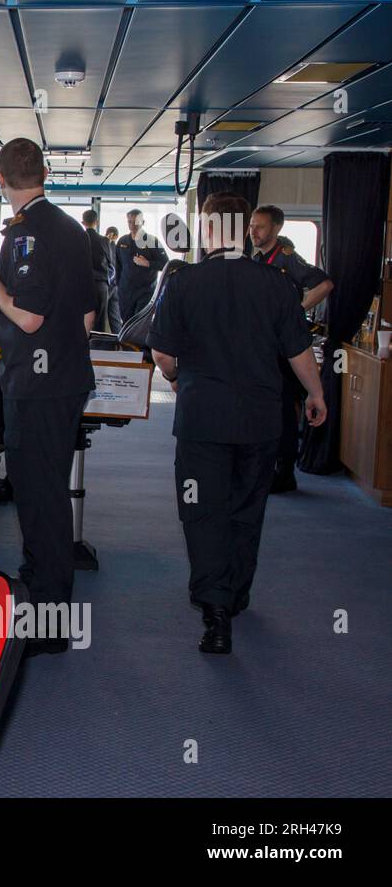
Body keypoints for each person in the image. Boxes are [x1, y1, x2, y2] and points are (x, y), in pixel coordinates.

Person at [148, 193, 327, 654]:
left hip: (201, 421)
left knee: (203, 512)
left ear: (208, 230)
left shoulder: (182, 282)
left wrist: (175, 377)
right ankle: (237, 593)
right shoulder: (275, 283)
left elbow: (163, 353)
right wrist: (316, 393)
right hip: (259, 422)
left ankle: (215, 613)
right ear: (245, 228)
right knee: (247, 510)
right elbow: (298, 351)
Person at [0, 139, 95, 656]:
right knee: (47, 494)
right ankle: (39, 585)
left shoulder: (25, 236)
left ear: (1, 179)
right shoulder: (69, 228)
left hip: (37, 388)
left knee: (39, 498)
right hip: (63, 382)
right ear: (44, 173)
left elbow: (27, 316)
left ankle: (50, 622)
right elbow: (86, 316)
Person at [249, 205, 334, 494]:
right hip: (263, 345)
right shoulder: (255, 258)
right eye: (251, 225)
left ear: (276, 229)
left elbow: (324, 284)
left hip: (283, 348)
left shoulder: (286, 258)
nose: (253, 231)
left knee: (283, 410)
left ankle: (284, 473)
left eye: (260, 227)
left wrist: (295, 312)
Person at [116, 209, 169, 323]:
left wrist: (148, 263)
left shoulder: (152, 241)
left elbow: (166, 264)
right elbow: (118, 266)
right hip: (126, 292)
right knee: (126, 325)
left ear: (143, 222)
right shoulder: (122, 241)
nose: (133, 225)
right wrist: (118, 287)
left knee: (139, 325)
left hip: (145, 292)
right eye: (130, 222)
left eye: (136, 222)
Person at [81, 209, 111, 331]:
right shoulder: (104, 240)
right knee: (100, 321)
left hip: (83, 284)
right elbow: (110, 262)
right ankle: (99, 347)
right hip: (100, 285)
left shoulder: (78, 238)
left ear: (83, 222)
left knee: (82, 319)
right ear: (96, 222)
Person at [104, 226, 124, 332]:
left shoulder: (104, 246)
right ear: (117, 236)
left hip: (105, 286)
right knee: (115, 318)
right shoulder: (119, 249)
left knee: (100, 318)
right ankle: (119, 343)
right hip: (116, 286)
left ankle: (98, 344)